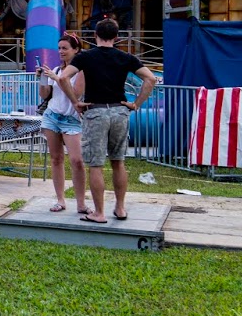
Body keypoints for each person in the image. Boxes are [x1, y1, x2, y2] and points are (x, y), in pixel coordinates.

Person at [62, 18, 157, 224]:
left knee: (96, 164)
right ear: (116, 37)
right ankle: (120, 208)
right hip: (119, 111)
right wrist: (136, 104)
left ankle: (99, 212)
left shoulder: (86, 57)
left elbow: (62, 78)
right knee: (118, 161)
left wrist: (76, 102)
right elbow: (151, 79)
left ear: (95, 36)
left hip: (95, 111)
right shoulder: (126, 57)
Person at [37, 32, 86, 214]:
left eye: (65, 48)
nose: (61, 51)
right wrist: (43, 78)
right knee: (56, 159)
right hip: (52, 116)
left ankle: (81, 203)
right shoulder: (56, 71)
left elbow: (76, 94)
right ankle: (60, 200)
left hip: (71, 119)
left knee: (77, 160)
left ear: (76, 50)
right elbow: (45, 95)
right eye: (59, 48)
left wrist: (58, 78)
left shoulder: (80, 71)